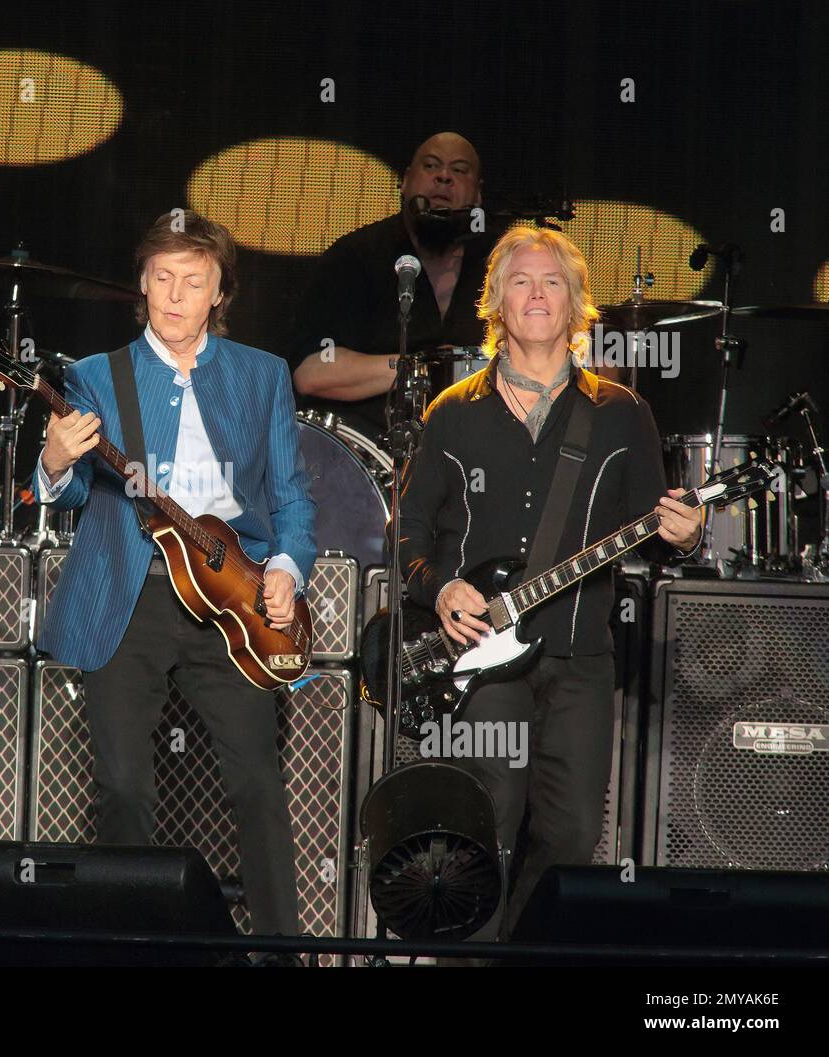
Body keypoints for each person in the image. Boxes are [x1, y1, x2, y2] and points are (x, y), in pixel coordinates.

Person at [398, 225, 701, 936]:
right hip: (483, 662)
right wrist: (439, 589)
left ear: (575, 305)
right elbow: (406, 534)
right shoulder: (451, 414)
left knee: (569, 839)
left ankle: (519, 951)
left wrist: (682, 540)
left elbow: (657, 538)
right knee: (490, 818)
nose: (537, 294)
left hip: (580, 659)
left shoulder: (623, 413)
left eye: (552, 281)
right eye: (521, 282)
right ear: (496, 302)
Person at [36, 210, 316, 938]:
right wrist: (56, 460)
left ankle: (283, 950)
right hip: (134, 587)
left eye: (193, 281)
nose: (175, 294)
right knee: (124, 784)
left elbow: (290, 494)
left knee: (256, 781)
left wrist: (286, 568)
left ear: (220, 291)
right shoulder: (97, 377)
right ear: (142, 282)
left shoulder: (263, 375)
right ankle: (129, 946)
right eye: (162, 277)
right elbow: (65, 493)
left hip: (232, 591)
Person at [290, 132, 499, 436]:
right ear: (405, 181)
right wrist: (425, 368)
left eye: (459, 170)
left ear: (477, 193)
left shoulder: (501, 262)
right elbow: (312, 372)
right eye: (431, 166)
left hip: (477, 450)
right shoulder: (355, 256)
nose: (443, 177)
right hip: (372, 454)